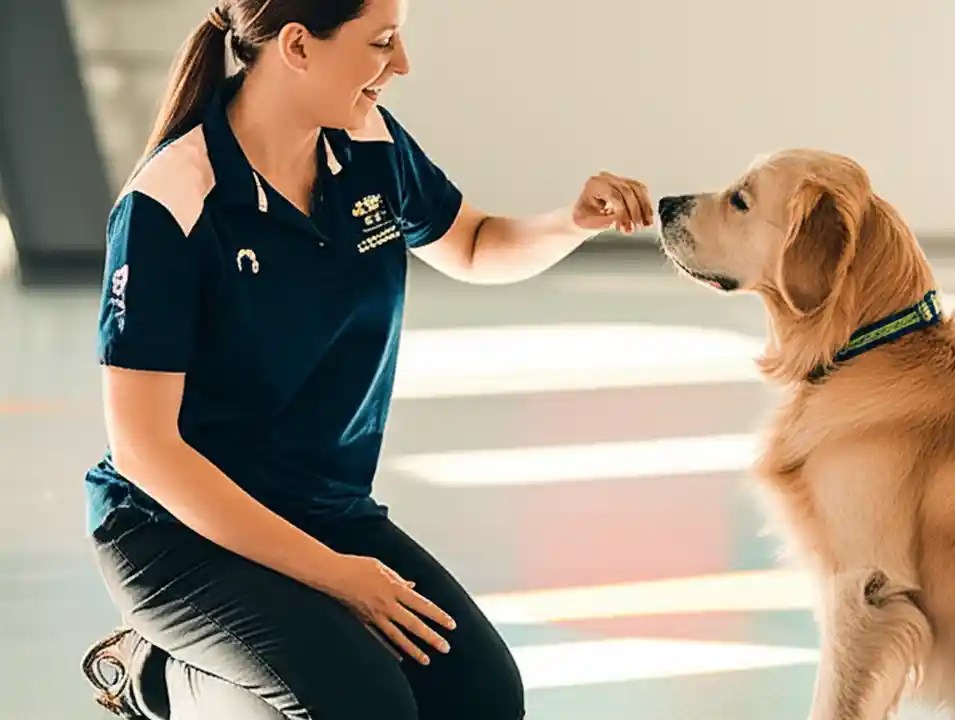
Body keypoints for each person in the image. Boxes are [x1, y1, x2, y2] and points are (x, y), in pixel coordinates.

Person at [79, 1, 653, 718]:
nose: (402, 64)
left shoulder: (369, 145)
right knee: (363, 707)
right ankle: (157, 677)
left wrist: (572, 223)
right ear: (297, 46)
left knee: (481, 699)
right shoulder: (171, 202)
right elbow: (146, 451)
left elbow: (470, 242)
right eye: (381, 42)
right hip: (178, 534)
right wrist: (339, 579)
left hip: (325, 510)